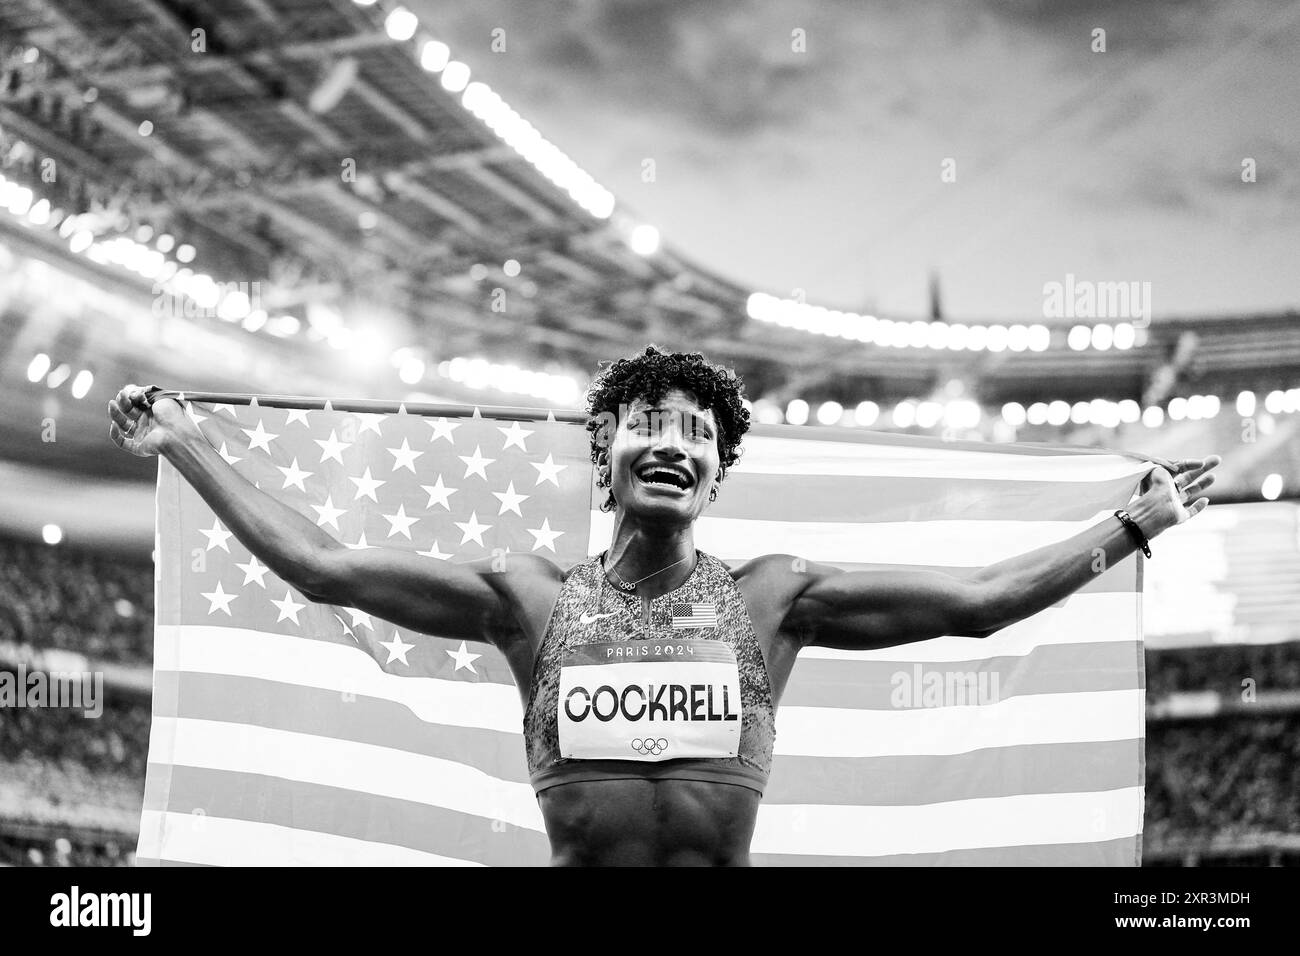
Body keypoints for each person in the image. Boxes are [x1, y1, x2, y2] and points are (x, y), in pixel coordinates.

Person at [109, 346, 1220, 866]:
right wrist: (191, 447)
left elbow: (979, 604)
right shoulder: (528, 598)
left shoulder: (773, 599)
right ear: (606, 458)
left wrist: (1133, 526)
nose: (674, 442)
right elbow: (327, 566)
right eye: (651, 421)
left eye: (698, 432)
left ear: (716, 476)